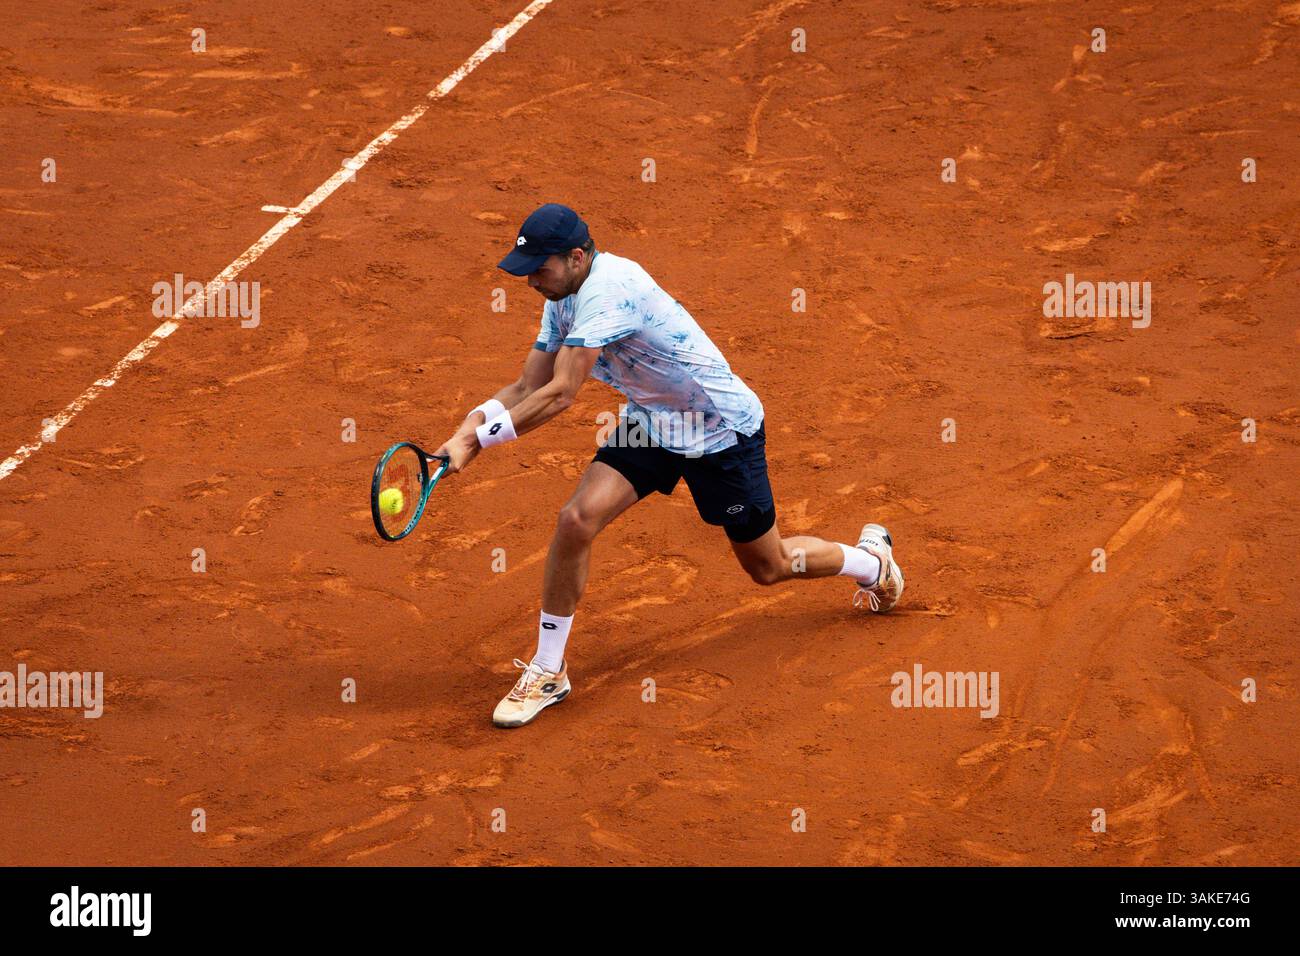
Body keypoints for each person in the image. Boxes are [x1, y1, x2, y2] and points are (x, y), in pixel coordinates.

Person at [434, 203, 904, 728]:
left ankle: (872, 563)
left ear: (575, 257)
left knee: (768, 567)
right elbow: (526, 386)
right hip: (654, 421)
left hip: (721, 431)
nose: (531, 283)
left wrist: (477, 444)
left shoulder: (610, 292)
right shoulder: (561, 296)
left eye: (539, 270)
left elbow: (562, 393)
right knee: (576, 520)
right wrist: (461, 433)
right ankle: (548, 670)